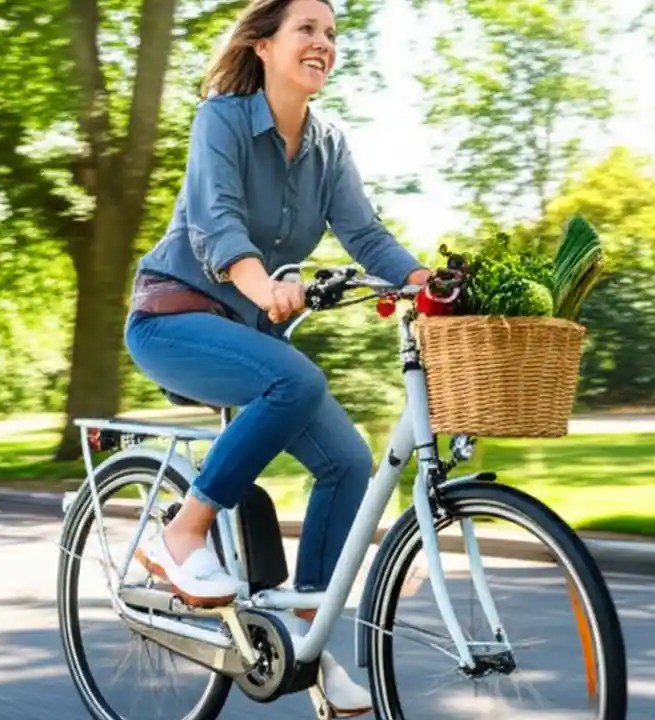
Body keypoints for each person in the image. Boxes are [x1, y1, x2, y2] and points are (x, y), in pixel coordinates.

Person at [125, 0, 431, 714]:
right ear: (263, 45)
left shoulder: (328, 146)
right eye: (307, 29)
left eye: (331, 33)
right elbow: (217, 224)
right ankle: (183, 534)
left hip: (247, 333)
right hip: (172, 318)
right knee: (295, 377)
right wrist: (263, 287)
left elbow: (367, 235)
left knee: (348, 461)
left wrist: (429, 281)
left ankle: (307, 642)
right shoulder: (222, 121)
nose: (322, 42)